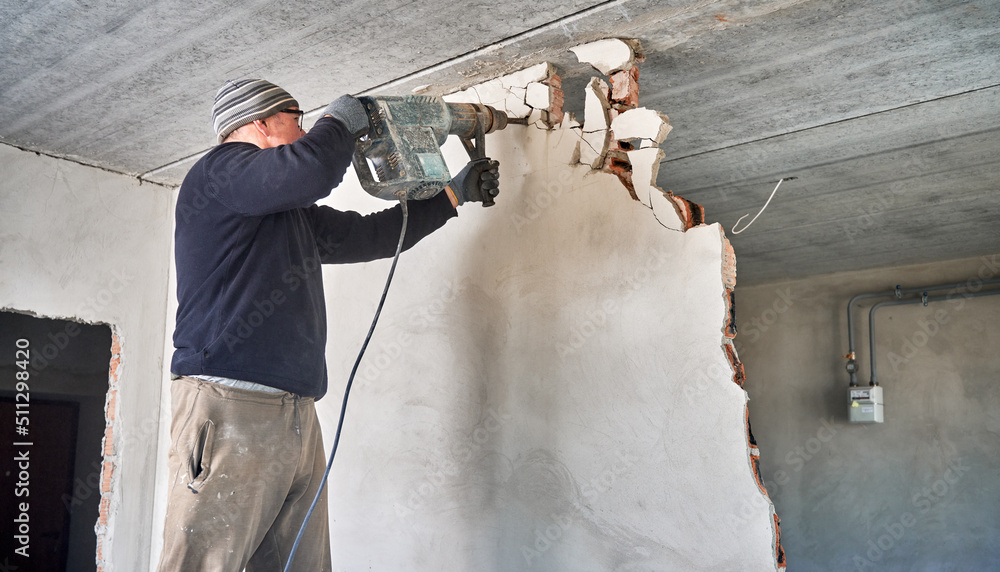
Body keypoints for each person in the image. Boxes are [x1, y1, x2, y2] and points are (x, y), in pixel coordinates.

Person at [159, 78, 499, 571]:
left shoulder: (286, 213)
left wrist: (450, 196)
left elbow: (373, 236)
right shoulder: (218, 174)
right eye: (295, 118)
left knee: (300, 564)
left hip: (296, 412)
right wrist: (341, 118)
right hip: (229, 407)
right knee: (205, 562)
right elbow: (313, 169)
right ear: (260, 123)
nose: (303, 129)